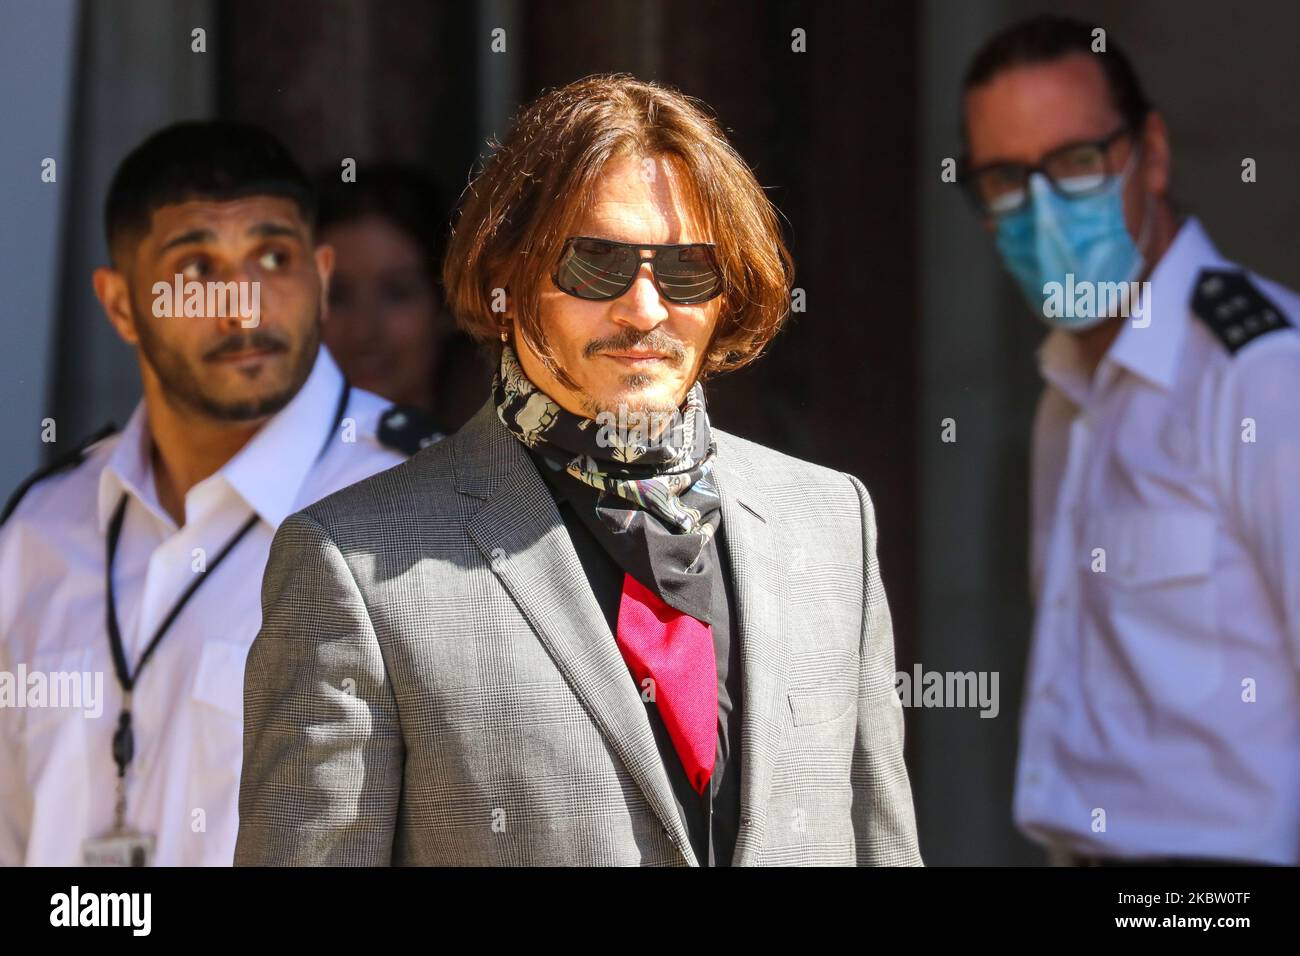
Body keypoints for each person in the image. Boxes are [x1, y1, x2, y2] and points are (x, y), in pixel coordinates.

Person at [235, 74, 922, 867]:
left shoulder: (830, 521)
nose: (645, 308)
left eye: (688, 269)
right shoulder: (352, 561)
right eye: (596, 264)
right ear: (507, 282)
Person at [0, 121, 439, 866]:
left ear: (320, 273)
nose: (245, 308)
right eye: (197, 269)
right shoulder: (39, 527)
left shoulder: (418, 505)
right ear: (119, 305)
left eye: (273, 258)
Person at [958, 16, 1300, 865]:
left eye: (1076, 163)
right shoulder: (1067, 392)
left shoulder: (1260, 372)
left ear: (1150, 152)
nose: (1041, 210)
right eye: (1005, 179)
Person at [316, 164, 491, 432]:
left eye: (396, 294)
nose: (362, 332)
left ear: (447, 307)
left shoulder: (501, 464)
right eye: (336, 296)